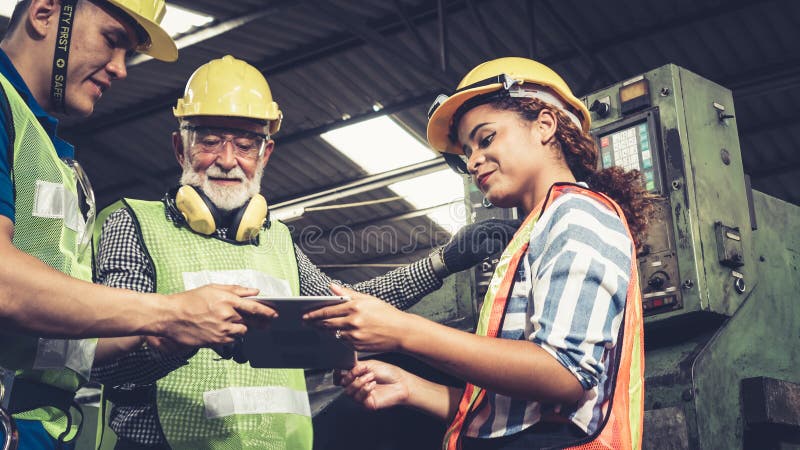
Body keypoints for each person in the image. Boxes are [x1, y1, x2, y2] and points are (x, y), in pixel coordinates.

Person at [90, 55, 519, 450]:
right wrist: (174, 339)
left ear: (265, 153)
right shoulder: (135, 226)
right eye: (210, 141)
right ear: (180, 148)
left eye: (245, 145)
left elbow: (346, 308)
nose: (227, 159)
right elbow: (100, 365)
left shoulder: (277, 240)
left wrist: (443, 261)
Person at [306, 57, 649, 450]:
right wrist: (410, 387)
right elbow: (517, 417)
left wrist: (403, 331)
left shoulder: (577, 213)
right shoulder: (539, 228)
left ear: (544, 126)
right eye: (467, 152)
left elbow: (563, 373)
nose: (472, 162)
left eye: (485, 139)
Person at [0, 2, 277, 449]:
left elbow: (65, 344)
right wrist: (170, 311)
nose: (121, 69)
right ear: (46, 11)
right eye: (112, 40)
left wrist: (167, 334)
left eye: (127, 53)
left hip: (40, 426)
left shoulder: (49, 150)